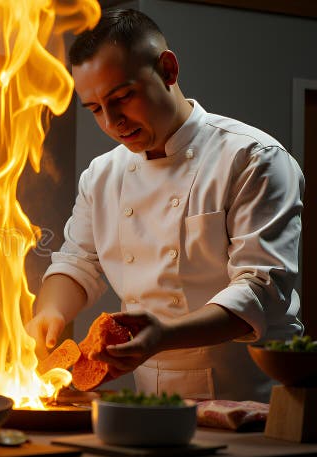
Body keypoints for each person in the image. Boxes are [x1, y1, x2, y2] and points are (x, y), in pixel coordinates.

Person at [26, 9, 303, 402]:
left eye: (122, 97)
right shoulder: (103, 175)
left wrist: (165, 336)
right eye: (95, 109)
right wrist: (49, 313)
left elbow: (260, 289)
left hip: (248, 395)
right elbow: (77, 262)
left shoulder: (253, 158)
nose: (112, 122)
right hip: (151, 398)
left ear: (168, 69)